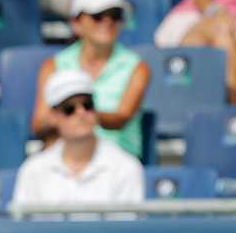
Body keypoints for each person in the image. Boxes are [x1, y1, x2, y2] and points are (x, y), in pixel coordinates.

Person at [33, 0, 150, 155]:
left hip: (116, 159)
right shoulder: (53, 65)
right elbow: (39, 123)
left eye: (115, 15)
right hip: (66, 156)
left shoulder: (138, 67)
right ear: (76, 23)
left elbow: (121, 118)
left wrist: (72, 114)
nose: (108, 21)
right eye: (98, 16)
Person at [12, 65, 146, 206]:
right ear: (53, 116)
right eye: (69, 109)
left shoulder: (125, 167)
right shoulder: (33, 170)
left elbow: (127, 227)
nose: (80, 113)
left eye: (87, 105)